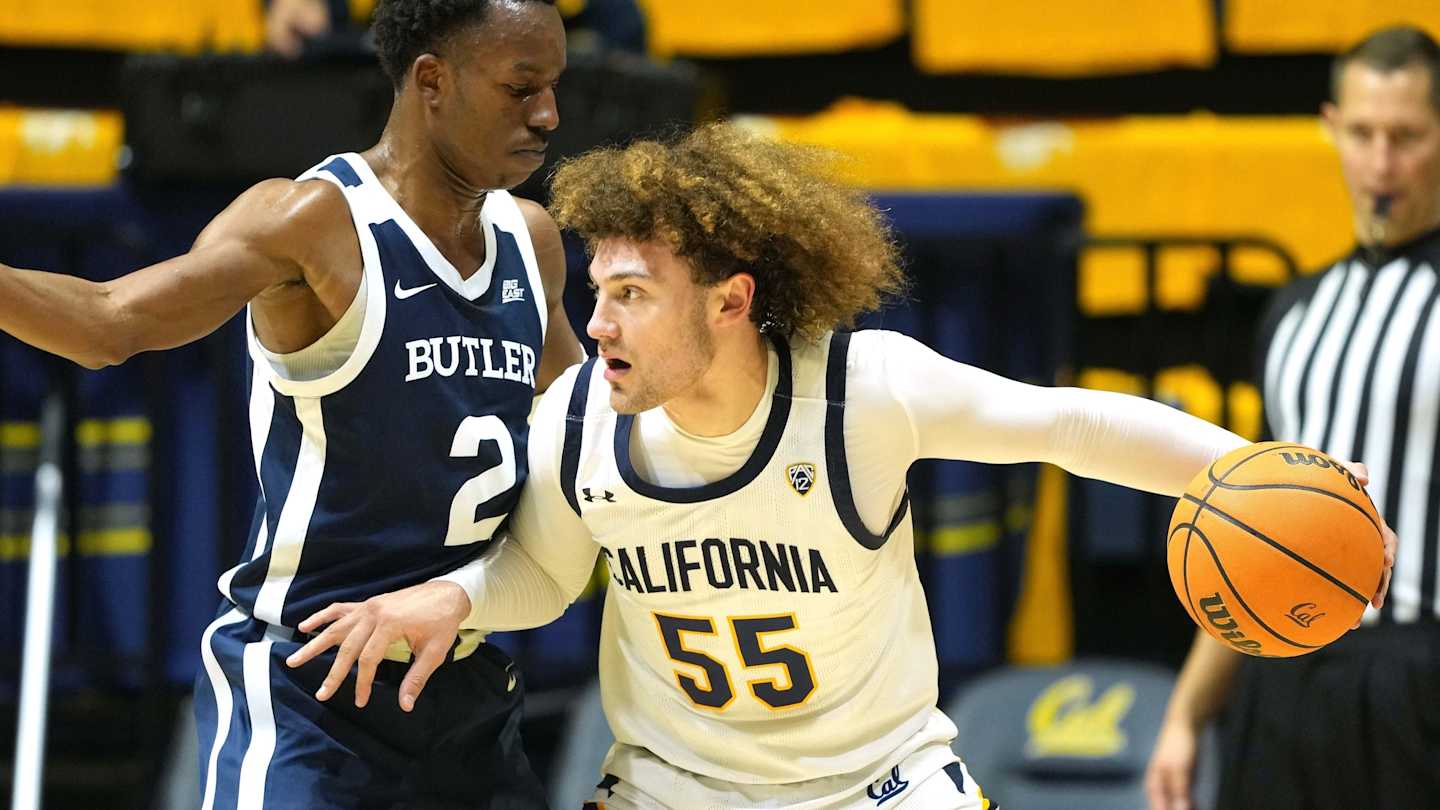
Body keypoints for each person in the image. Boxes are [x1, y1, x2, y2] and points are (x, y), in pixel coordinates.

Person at [288, 124, 1395, 809]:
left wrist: (1258, 470)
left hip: (881, 783)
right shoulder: (579, 419)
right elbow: (543, 572)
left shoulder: (861, 392)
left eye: (631, 295)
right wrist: (458, 595)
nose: (598, 324)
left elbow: (1069, 425)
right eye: (595, 293)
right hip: (675, 791)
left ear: (731, 301)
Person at [0, 0, 581, 807]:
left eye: (553, 87)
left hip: (465, 689)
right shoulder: (312, 221)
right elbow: (108, 322)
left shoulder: (532, 240)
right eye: (521, 88)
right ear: (432, 80)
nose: (548, 115)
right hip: (309, 692)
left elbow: (588, 434)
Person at [1146, 25, 1440, 810]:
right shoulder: (1294, 310)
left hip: (1417, 673)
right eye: (1364, 134)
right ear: (1331, 129)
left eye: (1407, 137)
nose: (1382, 162)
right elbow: (1251, 523)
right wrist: (1184, 714)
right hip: (1279, 671)